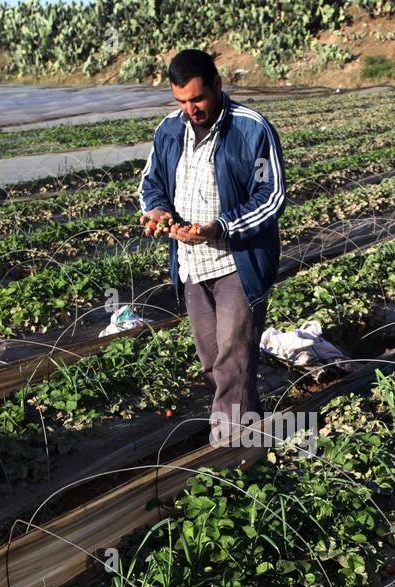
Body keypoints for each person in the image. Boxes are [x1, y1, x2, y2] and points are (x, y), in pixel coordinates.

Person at [137, 49, 286, 445]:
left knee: (233, 360)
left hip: (238, 262)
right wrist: (157, 211)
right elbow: (150, 183)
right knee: (212, 361)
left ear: (218, 85)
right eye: (182, 101)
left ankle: (232, 448)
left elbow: (270, 195)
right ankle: (246, 434)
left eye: (198, 99)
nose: (191, 109)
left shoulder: (251, 129)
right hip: (191, 263)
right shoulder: (169, 130)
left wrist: (219, 227)